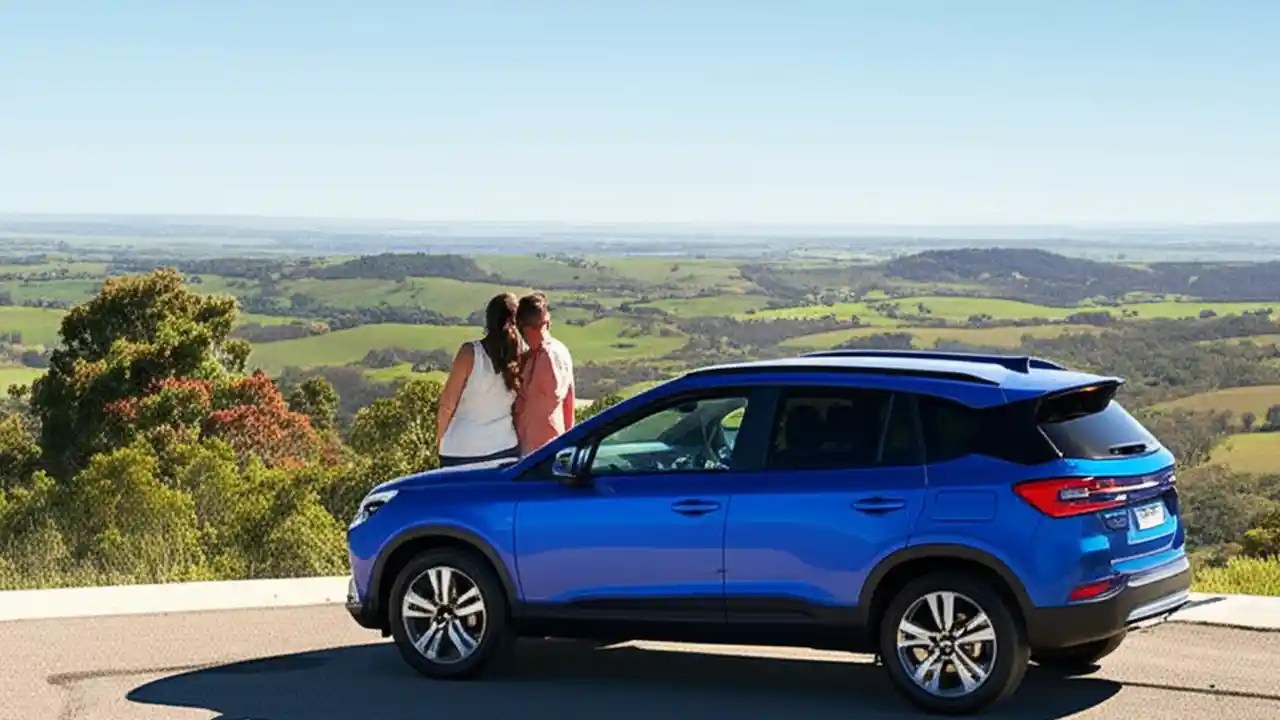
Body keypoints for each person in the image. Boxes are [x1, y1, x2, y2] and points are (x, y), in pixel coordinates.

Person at [436, 293, 523, 467]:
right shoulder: (522, 356)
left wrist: (439, 440)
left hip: (460, 450)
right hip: (504, 449)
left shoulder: (469, 353)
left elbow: (447, 404)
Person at [513, 292, 575, 456]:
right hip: (554, 441)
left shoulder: (544, 357)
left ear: (525, 327)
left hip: (538, 449)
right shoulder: (561, 350)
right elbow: (569, 404)